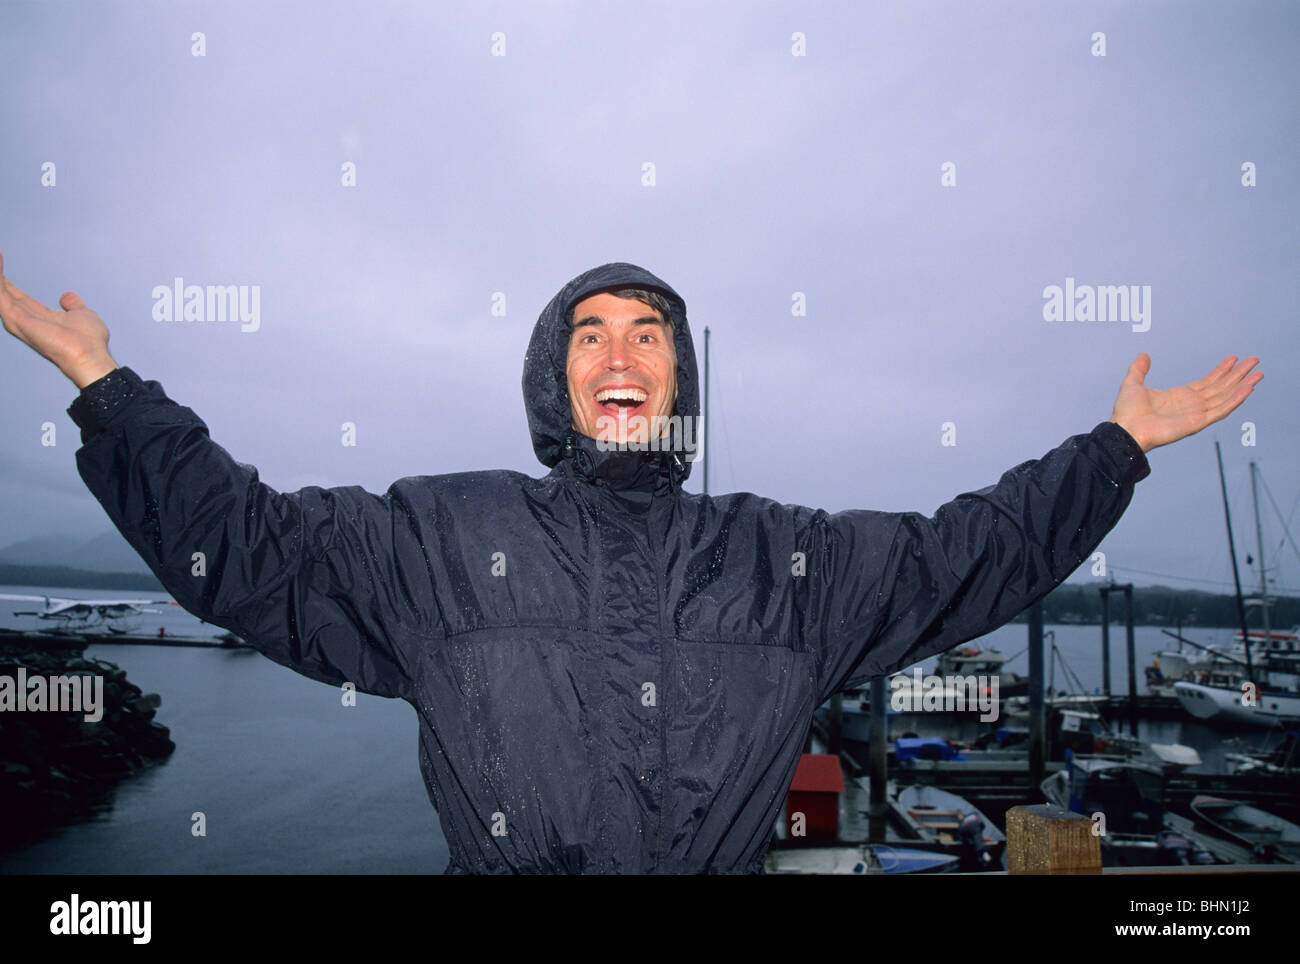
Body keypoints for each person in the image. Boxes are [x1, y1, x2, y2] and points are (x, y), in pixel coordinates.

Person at [0, 253, 1262, 873]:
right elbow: (249, 549)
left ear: (678, 374)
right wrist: (111, 390)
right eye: (590, 332)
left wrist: (1113, 451)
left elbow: (966, 553)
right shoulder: (440, 536)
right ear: (557, 377)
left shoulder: (785, 560)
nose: (620, 351)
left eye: (648, 332)